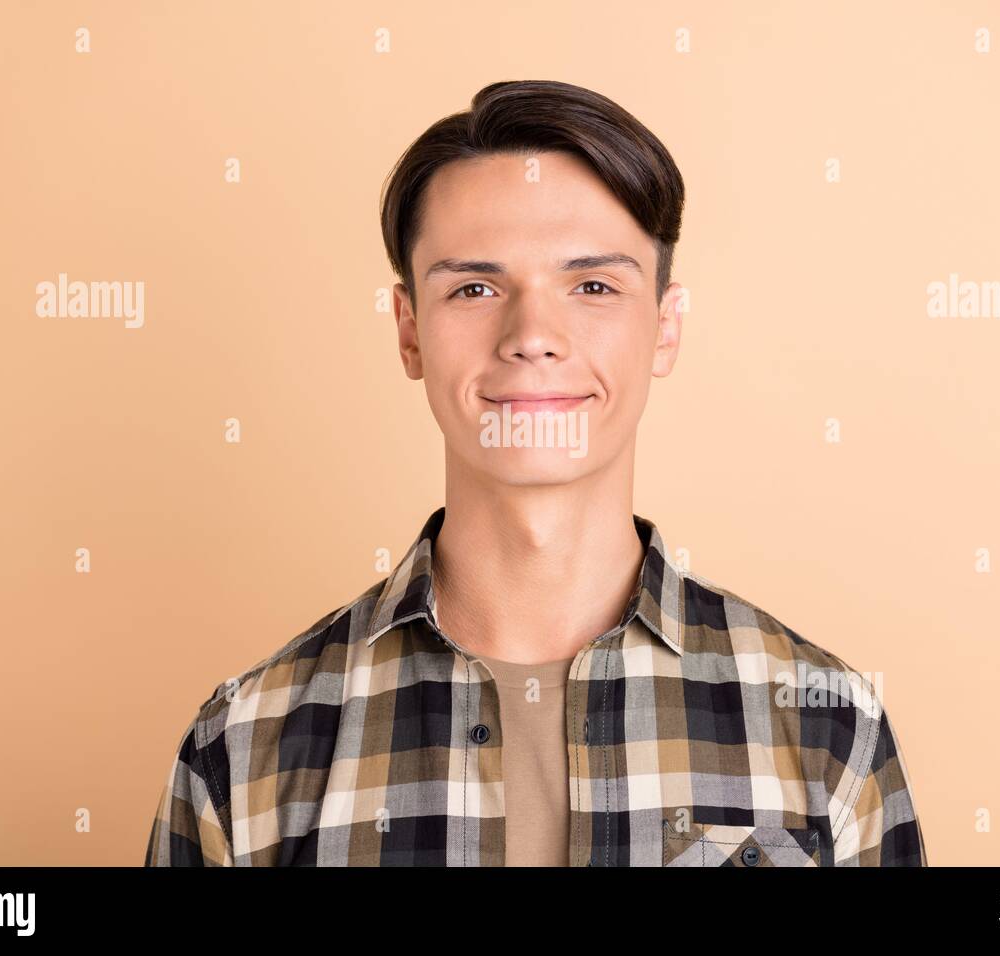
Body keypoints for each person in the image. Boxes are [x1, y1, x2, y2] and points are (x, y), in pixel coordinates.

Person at [144, 79, 928, 867]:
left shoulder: (829, 728)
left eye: (592, 286)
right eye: (475, 288)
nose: (532, 336)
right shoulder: (243, 748)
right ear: (410, 331)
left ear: (665, 327)